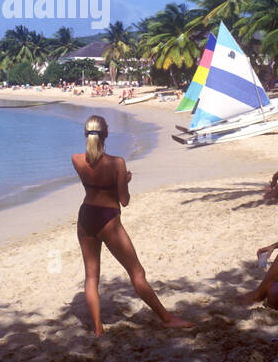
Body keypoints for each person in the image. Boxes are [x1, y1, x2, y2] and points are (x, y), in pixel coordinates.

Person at [73, 115, 192, 336]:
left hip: (86, 215)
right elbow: (124, 201)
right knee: (136, 271)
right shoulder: (117, 163)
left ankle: (98, 328)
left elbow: (93, 183)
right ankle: (166, 318)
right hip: (108, 218)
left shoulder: (76, 159)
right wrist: (124, 181)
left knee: (91, 276)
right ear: (106, 134)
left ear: (85, 134)